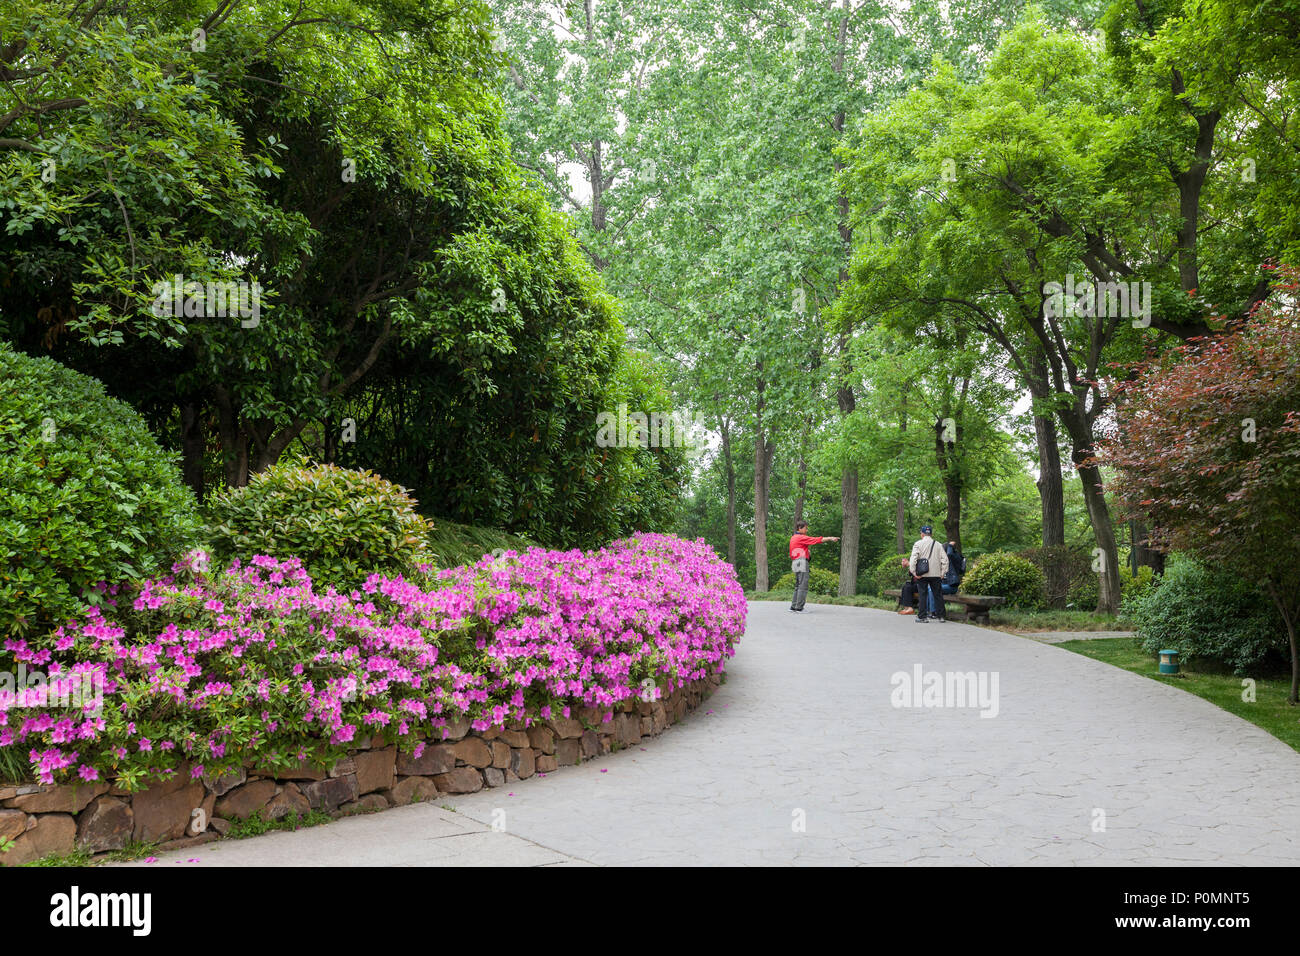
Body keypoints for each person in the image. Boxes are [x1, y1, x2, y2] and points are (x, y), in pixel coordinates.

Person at [788, 521, 838, 612]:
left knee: (798, 585)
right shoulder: (801, 537)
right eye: (805, 528)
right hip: (802, 561)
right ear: (800, 528)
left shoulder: (793, 538)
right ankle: (799, 608)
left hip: (795, 561)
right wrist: (830, 538)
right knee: (803, 585)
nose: (806, 530)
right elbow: (817, 540)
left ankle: (793, 606)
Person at [908, 524, 949, 623]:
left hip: (922, 574)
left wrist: (913, 572)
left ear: (922, 534)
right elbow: (945, 560)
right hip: (936, 574)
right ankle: (941, 616)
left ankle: (922, 617)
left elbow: (913, 559)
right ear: (931, 534)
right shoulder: (938, 544)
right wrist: (942, 573)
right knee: (938, 595)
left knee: (923, 594)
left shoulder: (918, 544)